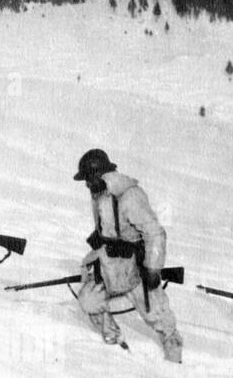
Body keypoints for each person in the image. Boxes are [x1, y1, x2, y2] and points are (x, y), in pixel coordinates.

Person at [72, 149, 183, 361]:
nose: (86, 185)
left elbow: (155, 233)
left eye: (87, 179)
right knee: (89, 300)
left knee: (159, 318)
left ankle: (176, 362)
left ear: (98, 175)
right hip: (110, 266)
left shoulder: (130, 197)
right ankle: (115, 348)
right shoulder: (99, 195)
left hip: (136, 269)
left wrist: (152, 268)